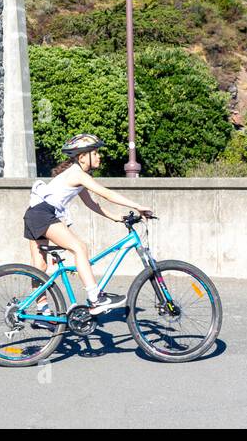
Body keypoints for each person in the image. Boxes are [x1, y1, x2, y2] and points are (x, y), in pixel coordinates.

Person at [24, 134, 155, 314]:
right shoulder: (78, 174)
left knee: (40, 267)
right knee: (80, 248)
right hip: (42, 214)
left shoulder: (76, 175)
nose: (99, 156)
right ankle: (96, 297)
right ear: (82, 156)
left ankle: (42, 311)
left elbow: (92, 203)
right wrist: (137, 206)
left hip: (33, 213)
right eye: (95, 152)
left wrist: (116, 217)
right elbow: (106, 193)